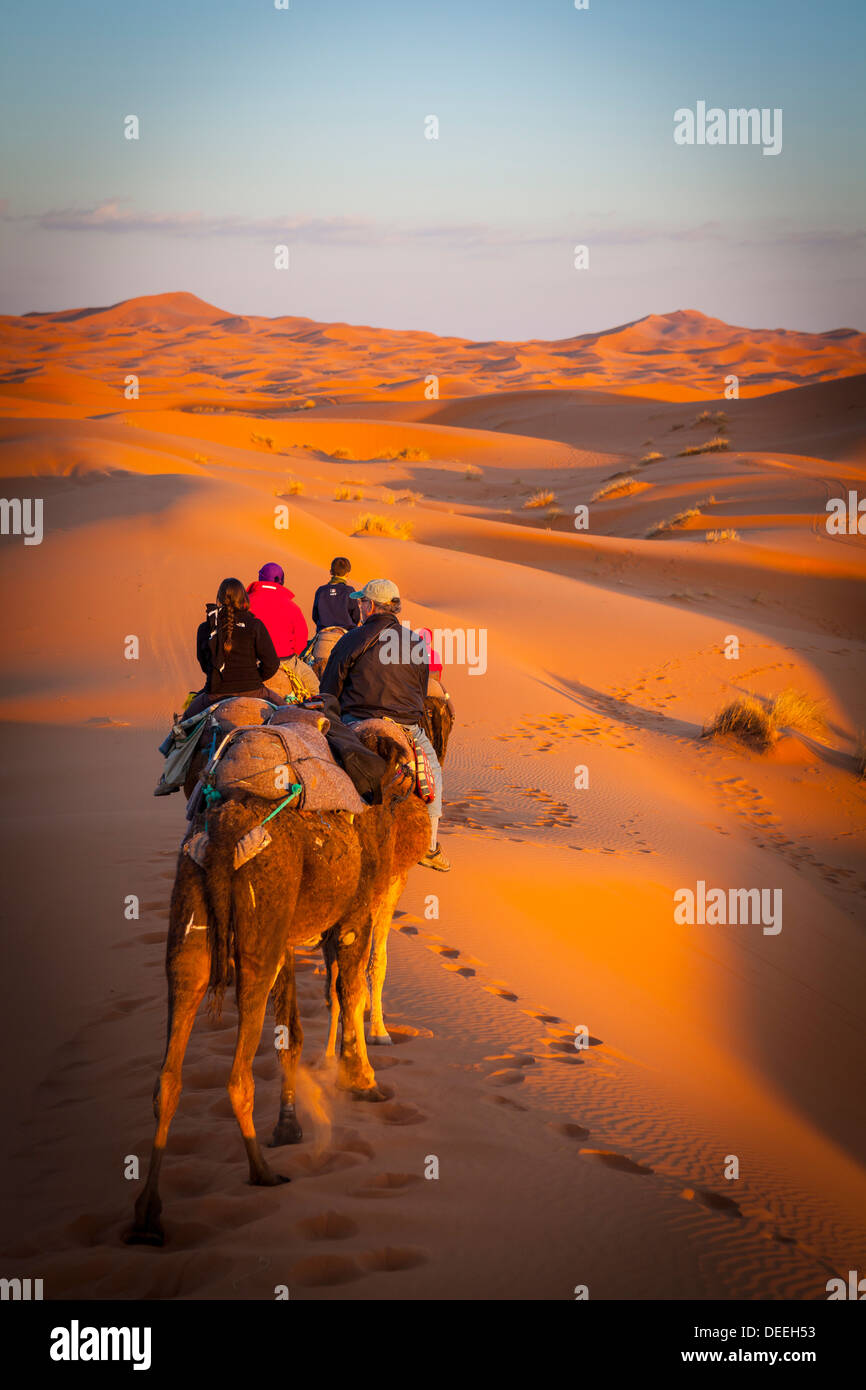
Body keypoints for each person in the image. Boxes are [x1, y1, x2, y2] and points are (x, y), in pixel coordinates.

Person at [320, 577, 449, 871]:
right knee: (434, 772)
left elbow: (329, 690)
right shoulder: (417, 642)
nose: (359, 607)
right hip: (406, 727)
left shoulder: (350, 639)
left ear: (370, 606)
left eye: (361, 602)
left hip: (356, 721)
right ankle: (430, 847)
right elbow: (419, 691)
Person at [185, 577, 282, 717]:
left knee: (182, 724)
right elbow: (272, 663)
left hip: (214, 694)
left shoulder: (205, 628)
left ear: (219, 598)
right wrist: (253, 679)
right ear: (244, 598)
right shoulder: (255, 625)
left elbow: (204, 664)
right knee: (289, 713)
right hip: (253, 690)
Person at [308, 557, 361, 677]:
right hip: (345, 640)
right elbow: (356, 617)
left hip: (322, 639)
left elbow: (315, 616)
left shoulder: (321, 591)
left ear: (331, 572)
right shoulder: (350, 591)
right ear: (347, 573)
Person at [246, 562, 309, 659]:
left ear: (260, 577)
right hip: (283, 661)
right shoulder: (293, 607)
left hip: (249, 660)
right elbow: (301, 638)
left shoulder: (244, 602)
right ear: (282, 581)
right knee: (311, 674)